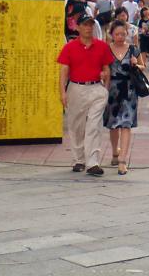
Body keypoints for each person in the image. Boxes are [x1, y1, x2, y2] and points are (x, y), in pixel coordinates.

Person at [57, 13, 114, 175]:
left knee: (94, 126)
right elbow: (64, 71)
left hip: (96, 89)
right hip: (76, 88)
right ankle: (78, 160)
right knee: (76, 126)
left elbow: (106, 68)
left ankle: (93, 162)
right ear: (78, 27)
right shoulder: (69, 47)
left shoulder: (102, 46)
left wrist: (105, 88)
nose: (88, 28)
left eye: (90, 24)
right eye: (85, 24)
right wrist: (62, 92)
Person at [104, 20, 141, 176]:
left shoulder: (133, 50)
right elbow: (103, 69)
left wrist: (136, 65)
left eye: (123, 34)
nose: (120, 37)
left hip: (129, 90)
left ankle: (122, 161)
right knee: (113, 125)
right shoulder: (106, 50)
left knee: (126, 124)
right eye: (117, 34)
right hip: (112, 90)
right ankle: (114, 152)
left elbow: (142, 66)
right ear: (111, 34)